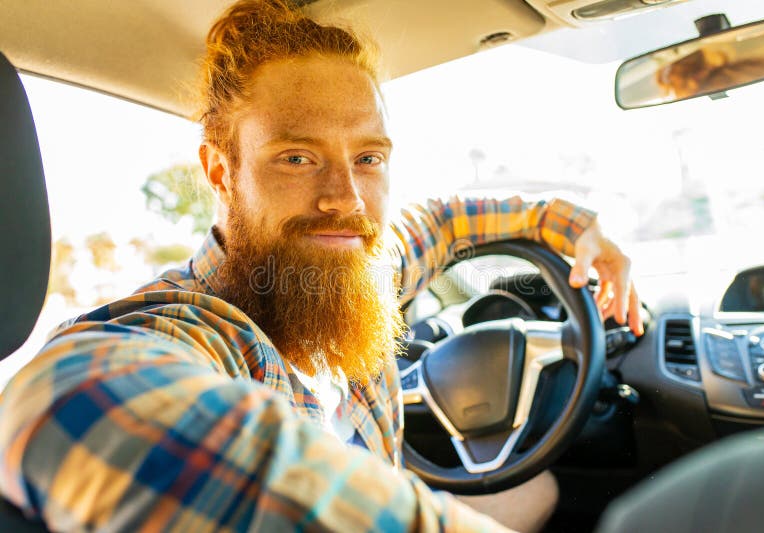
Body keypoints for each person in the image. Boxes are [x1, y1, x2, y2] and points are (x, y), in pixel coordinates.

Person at [0, 1, 643, 531]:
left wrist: (573, 227)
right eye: (297, 159)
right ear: (221, 171)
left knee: (540, 489)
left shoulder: (360, 271)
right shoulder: (192, 327)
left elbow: (448, 221)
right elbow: (66, 395)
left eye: (368, 158)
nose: (347, 199)